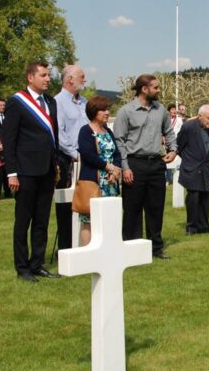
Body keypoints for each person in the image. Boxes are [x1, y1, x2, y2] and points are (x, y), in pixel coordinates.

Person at [2, 61, 63, 282]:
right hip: (26, 171)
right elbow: (9, 140)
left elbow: (52, 136)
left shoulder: (51, 102)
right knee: (23, 221)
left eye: (49, 75)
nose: (48, 79)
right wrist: (12, 173)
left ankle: (37, 264)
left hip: (46, 169)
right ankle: (22, 267)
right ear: (30, 77)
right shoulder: (17, 103)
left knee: (42, 220)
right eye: (43, 75)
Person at [114, 74, 177, 259]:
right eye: (155, 87)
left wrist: (173, 150)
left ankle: (155, 247)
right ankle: (132, 248)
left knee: (156, 207)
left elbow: (169, 132)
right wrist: (125, 167)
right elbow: (119, 141)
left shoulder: (161, 110)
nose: (158, 90)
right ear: (144, 89)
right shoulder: (126, 111)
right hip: (135, 164)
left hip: (156, 164)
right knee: (132, 208)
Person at [75, 96, 123, 246]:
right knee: (88, 220)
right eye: (103, 110)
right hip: (92, 182)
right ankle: (86, 255)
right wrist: (107, 167)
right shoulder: (85, 131)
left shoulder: (108, 131)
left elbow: (116, 153)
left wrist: (115, 171)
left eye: (108, 109)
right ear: (94, 112)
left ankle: (108, 249)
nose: (107, 112)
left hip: (110, 183)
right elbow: (88, 154)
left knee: (109, 218)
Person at [54, 64, 88, 252]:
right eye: (81, 77)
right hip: (68, 160)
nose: (84, 80)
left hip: (86, 159)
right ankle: (66, 247)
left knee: (87, 202)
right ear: (69, 79)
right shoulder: (57, 102)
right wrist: (75, 154)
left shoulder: (84, 102)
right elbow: (59, 133)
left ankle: (85, 243)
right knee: (66, 205)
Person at [176, 104, 209, 235]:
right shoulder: (188, 127)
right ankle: (192, 227)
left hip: (205, 168)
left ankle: (204, 227)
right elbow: (179, 145)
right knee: (193, 198)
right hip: (192, 168)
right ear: (200, 116)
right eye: (208, 118)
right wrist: (190, 160)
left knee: (205, 198)